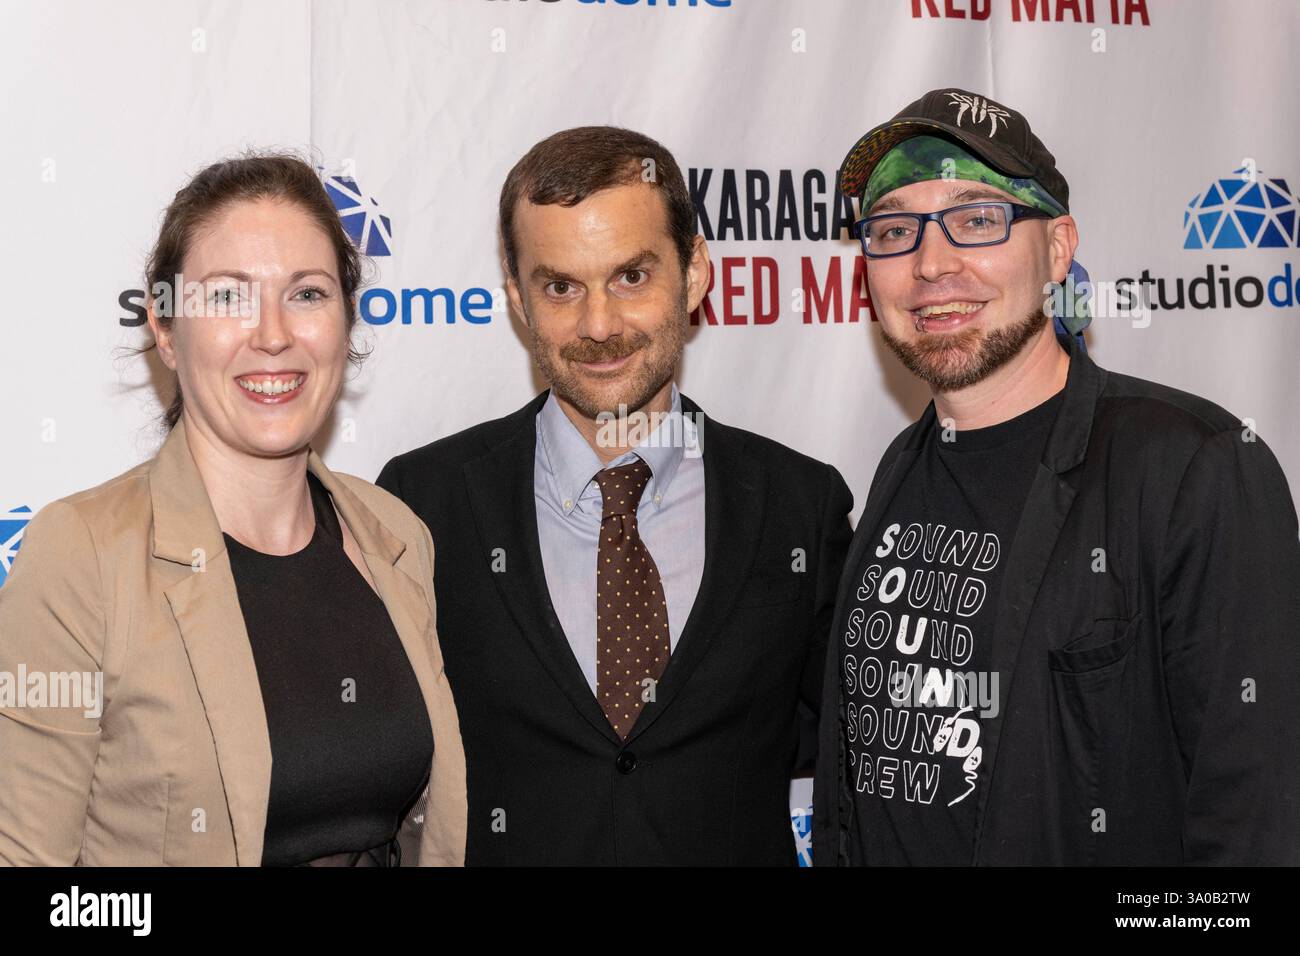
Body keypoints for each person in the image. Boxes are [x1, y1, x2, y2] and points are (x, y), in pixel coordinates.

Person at [813, 88, 1300, 866]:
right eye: (894, 229)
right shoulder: (901, 469)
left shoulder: (1194, 466)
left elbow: (1256, 831)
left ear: (1060, 247)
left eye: (977, 219)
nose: (931, 264)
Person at [378, 126, 853, 865]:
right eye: (561, 286)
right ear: (516, 297)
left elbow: (861, 766)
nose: (598, 326)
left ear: (694, 273)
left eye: (632, 276)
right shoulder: (423, 502)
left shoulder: (800, 504)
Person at [0, 154, 466, 866]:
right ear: (164, 327)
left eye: (307, 294)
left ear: (345, 320)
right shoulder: (84, 555)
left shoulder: (395, 534)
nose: (273, 334)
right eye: (226, 297)